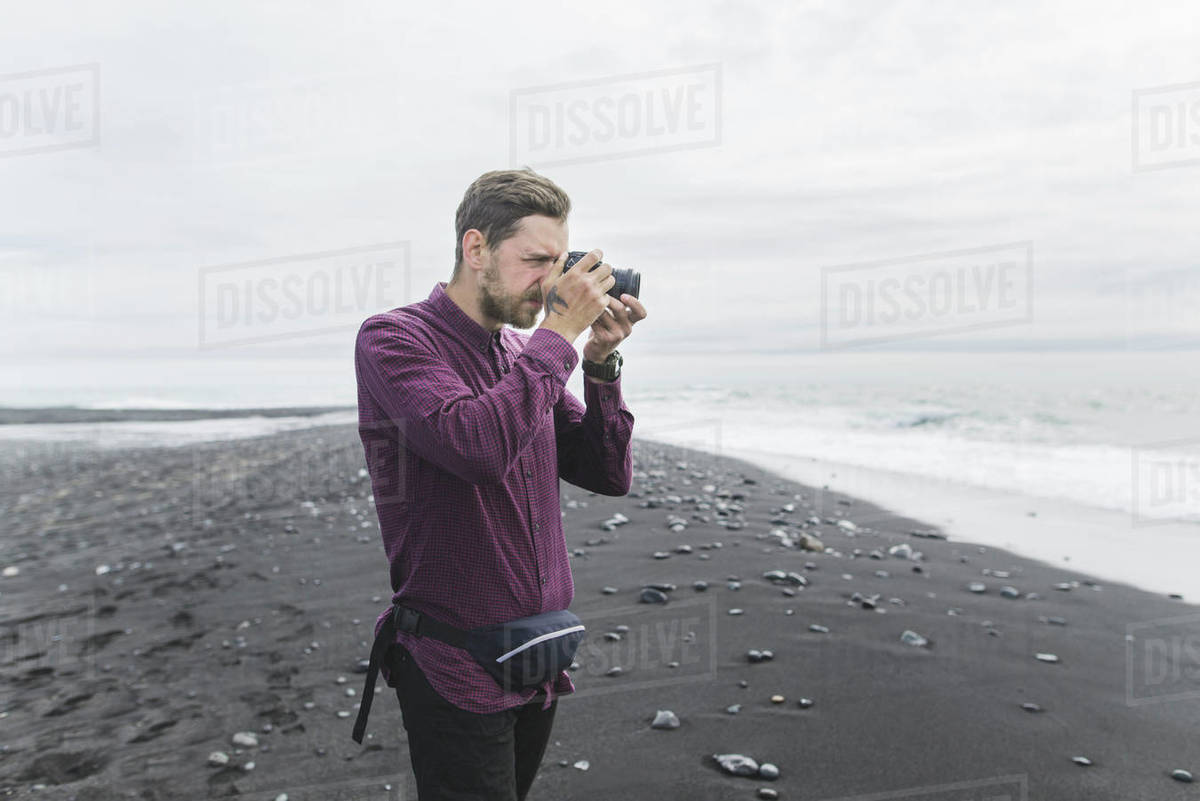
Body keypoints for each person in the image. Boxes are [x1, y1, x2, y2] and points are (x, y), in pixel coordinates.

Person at [352, 167, 647, 800]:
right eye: (535, 260)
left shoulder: (521, 357)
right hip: (456, 662)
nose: (551, 283)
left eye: (559, 263)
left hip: (539, 654)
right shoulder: (395, 340)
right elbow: (478, 447)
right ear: (476, 247)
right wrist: (562, 334)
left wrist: (599, 366)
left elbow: (608, 473)